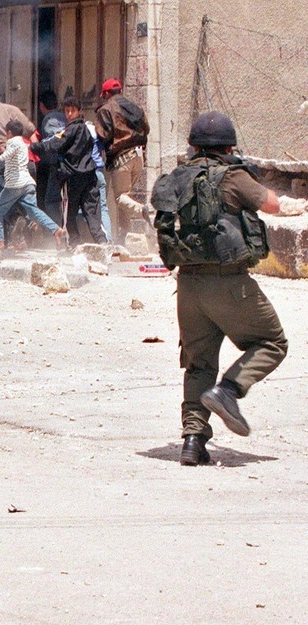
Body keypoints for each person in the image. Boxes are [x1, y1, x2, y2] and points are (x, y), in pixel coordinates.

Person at [150, 111, 288, 467]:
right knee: (273, 342)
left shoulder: (178, 177)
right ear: (228, 146)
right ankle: (229, 390)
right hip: (229, 283)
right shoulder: (233, 176)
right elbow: (272, 204)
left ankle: (193, 442)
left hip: (188, 286)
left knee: (198, 365)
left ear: (194, 146)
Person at [36, 96, 106, 246]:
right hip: (90, 176)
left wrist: (36, 147)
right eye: (67, 111)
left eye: (72, 111)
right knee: (92, 212)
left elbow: (55, 143)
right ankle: (102, 242)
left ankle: (74, 244)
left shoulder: (70, 130)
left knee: (69, 214)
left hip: (73, 179)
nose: (69, 114)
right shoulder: (87, 130)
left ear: (79, 111)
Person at [0, 119, 64, 250]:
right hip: (28, 183)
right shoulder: (23, 143)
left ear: (9, 133)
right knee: (34, 212)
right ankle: (56, 230)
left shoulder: (12, 142)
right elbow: (12, 152)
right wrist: (3, 150)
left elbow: (9, 152)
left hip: (15, 184)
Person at [95, 78, 149, 241]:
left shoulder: (105, 109)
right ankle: (123, 237)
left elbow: (104, 134)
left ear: (105, 94)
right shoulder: (136, 108)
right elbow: (147, 128)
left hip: (121, 159)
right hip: (139, 158)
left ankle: (142, 211)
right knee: (125, 198)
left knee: (120, 198)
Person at [35, 90, 65, 224]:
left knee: (51, 201)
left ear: (41, 106)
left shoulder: (49, 119)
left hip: (56, 164)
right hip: (68, 163)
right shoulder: (63, 116)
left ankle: (56, 231)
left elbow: (55, 139)